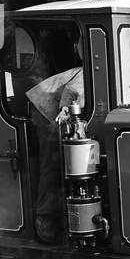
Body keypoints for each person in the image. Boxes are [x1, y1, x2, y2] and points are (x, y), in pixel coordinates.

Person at [26, 44, 85, 243]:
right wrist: (65, 112)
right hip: (45, 110)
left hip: (51, 107)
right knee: (52, 162)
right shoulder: (87, 74)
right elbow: (69, 95)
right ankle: (45, 219)